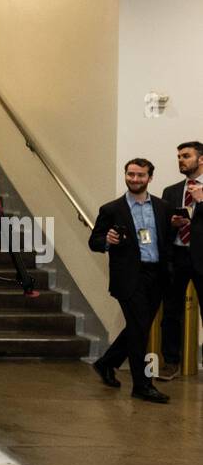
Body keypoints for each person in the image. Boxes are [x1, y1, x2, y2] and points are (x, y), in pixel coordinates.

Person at [89, 158, 173, 403]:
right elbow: (94, 241)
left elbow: (166, 240)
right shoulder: (111, 209)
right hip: (129, 278)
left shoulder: (162, 207)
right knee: (139, 329)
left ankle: (106, 363)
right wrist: (107, 241)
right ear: (125, 175)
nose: (135, 179)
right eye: (131, 174)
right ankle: (142, 385)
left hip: (156, 276)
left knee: (140, 327)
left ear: (150, 178)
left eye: (140, 175)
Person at [158, 140, 203, 380]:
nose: (181, 160)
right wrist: (172, 225)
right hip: (177, 256)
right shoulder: (172, 191)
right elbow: (164, 225)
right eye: (179, 157)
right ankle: (171, 362)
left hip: (202, 258)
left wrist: (202, 201)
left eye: (186, 156)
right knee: (171, 312)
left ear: (201, 159)